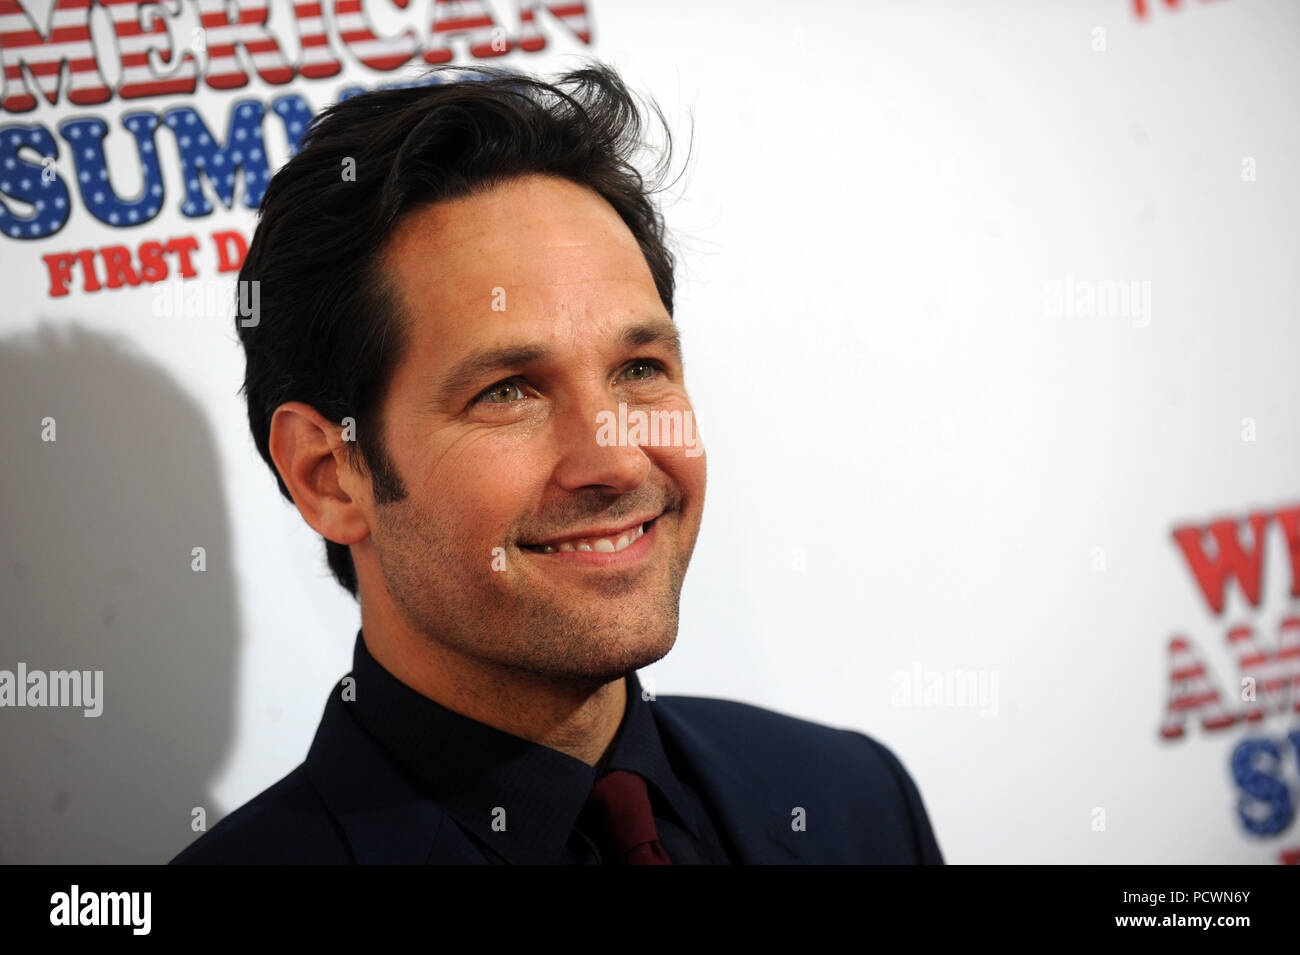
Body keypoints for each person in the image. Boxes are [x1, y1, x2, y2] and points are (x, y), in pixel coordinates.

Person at [171, 62, 943, 865]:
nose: (613, 457)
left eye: (639, 369)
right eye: (509, 391)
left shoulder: (852, 800)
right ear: (329, 475)